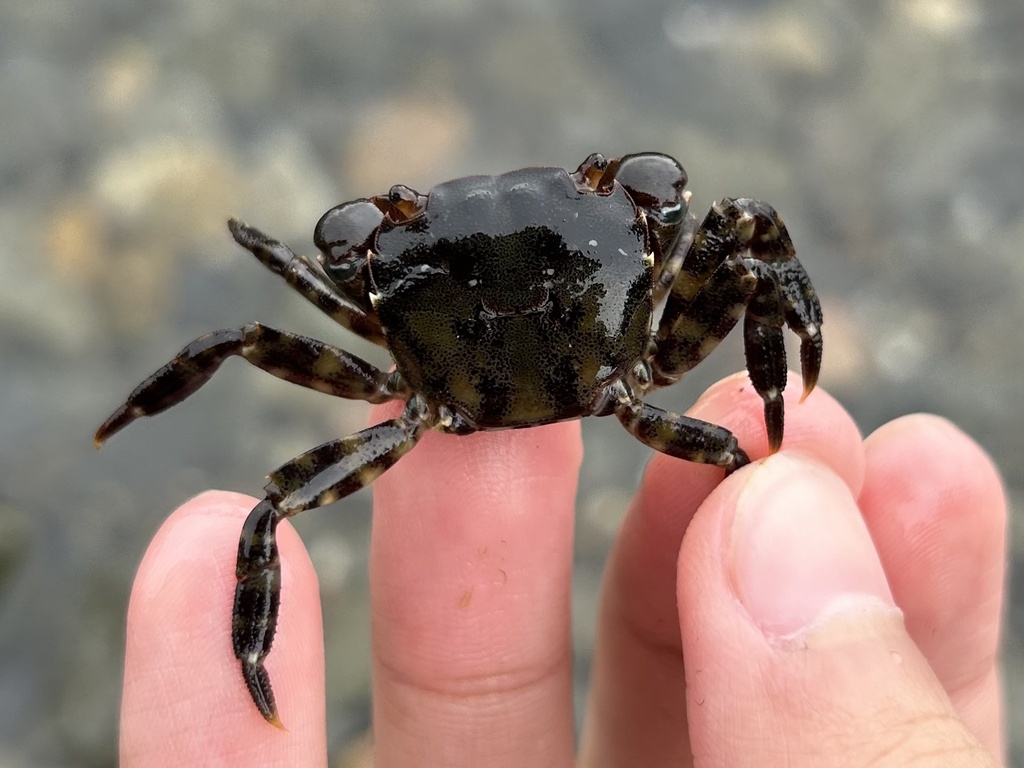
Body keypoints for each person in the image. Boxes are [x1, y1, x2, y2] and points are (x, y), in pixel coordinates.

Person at [118, 373, 1007, 767]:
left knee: (268, 497)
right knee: (763, 473)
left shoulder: (383, 271)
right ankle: (783, 427)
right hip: (611, 385)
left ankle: (248, 662)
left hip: (428, 405)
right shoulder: (632, 226)